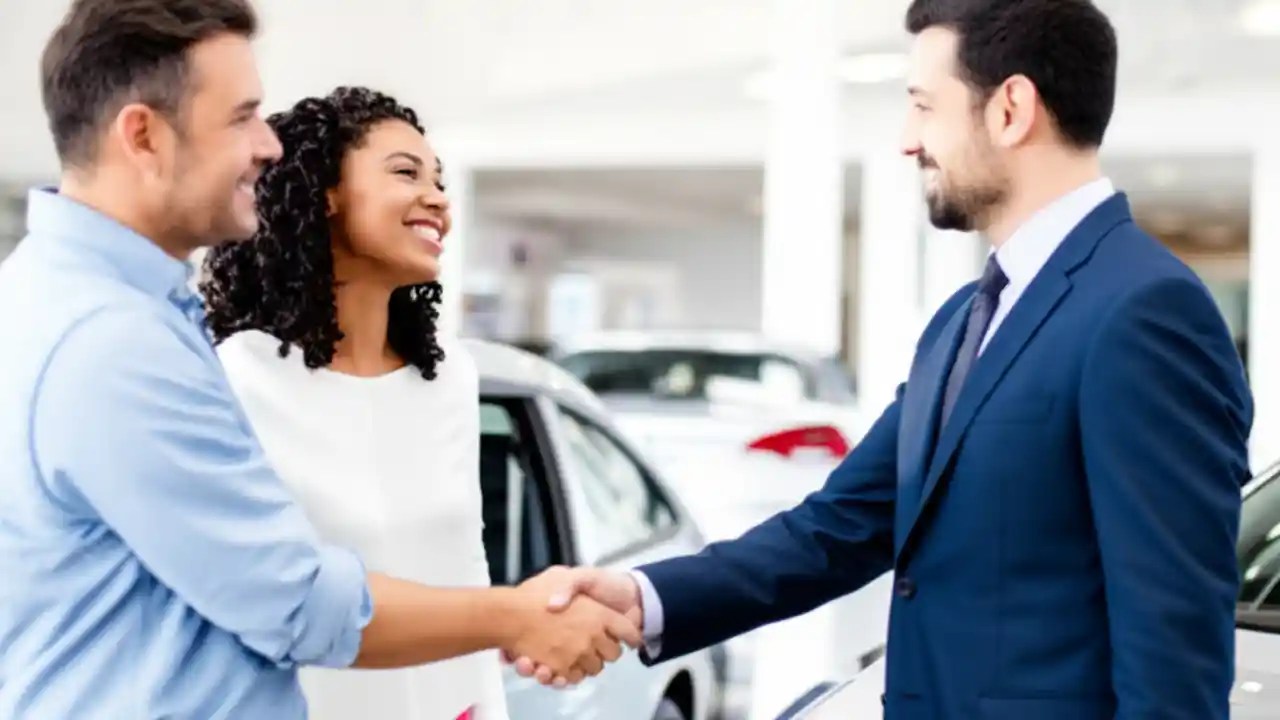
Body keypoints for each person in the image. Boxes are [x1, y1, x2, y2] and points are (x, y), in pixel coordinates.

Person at [520, 1, 1255, 718]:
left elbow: (1174, 646)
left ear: (1010, 109)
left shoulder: (1147, 312)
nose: (909, 140)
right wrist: (645, 598)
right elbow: (839, 527)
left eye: (924, 106)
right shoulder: (962, 320)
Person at [0, 2, 637, 718]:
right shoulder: (112, 343)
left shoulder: (104, 309)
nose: (268, 145)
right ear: (144, 136)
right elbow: (295, 598)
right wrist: (517, 617)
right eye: (241, 117)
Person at [199, 85, 509, 720]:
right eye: (406, 173)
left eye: (440, 180)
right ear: (325, 193)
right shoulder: (238, 376)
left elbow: (464, 576)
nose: (438, 198)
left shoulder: (449, 380)